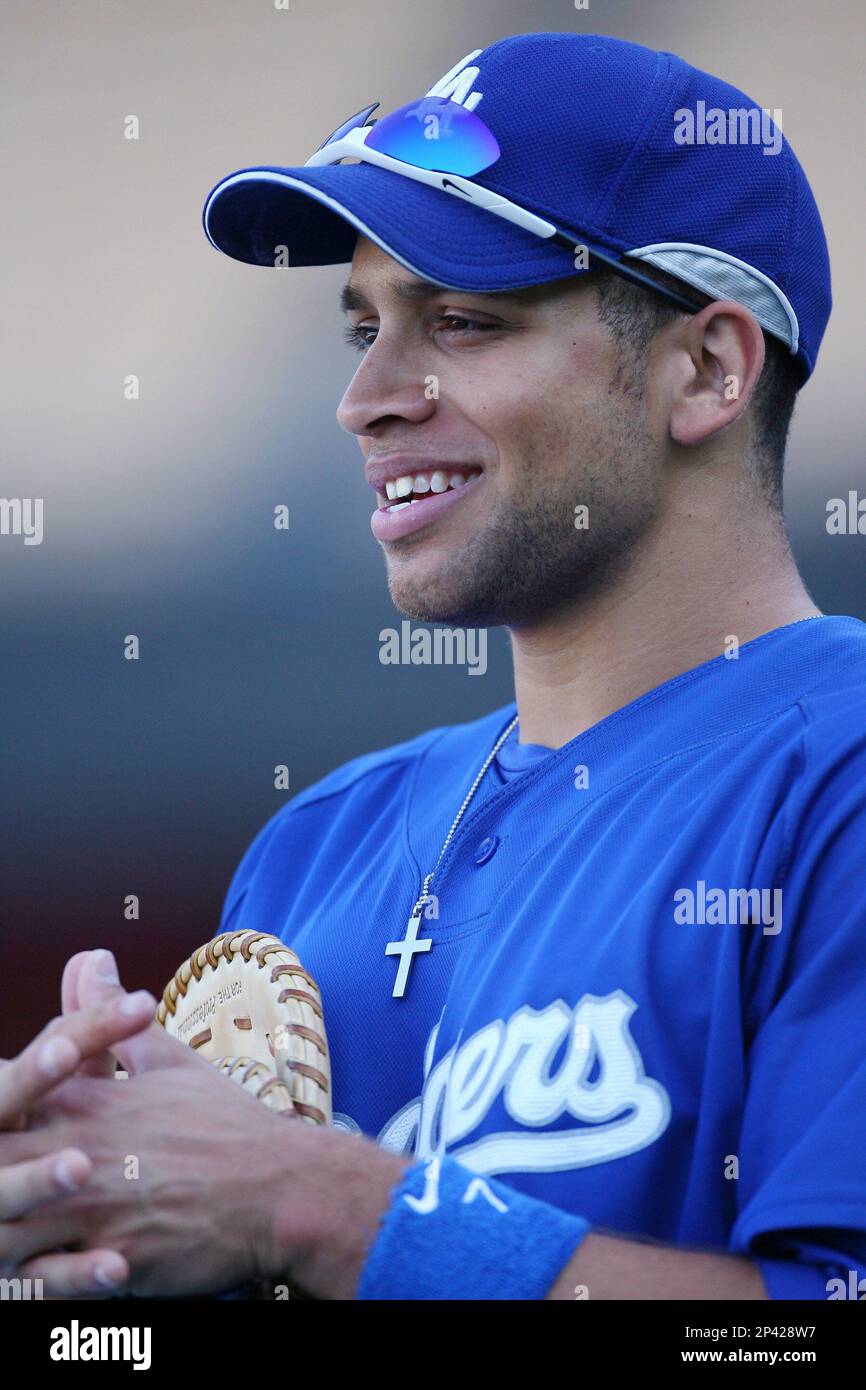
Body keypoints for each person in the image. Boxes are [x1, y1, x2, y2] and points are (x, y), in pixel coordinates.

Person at [3, 32, 865, 1302]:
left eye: (460, 320)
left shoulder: (833, 773)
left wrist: (314, 1202)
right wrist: (75, 1260)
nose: (364, 397)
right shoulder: (316, 843)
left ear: (705, 367)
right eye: (364, 325)